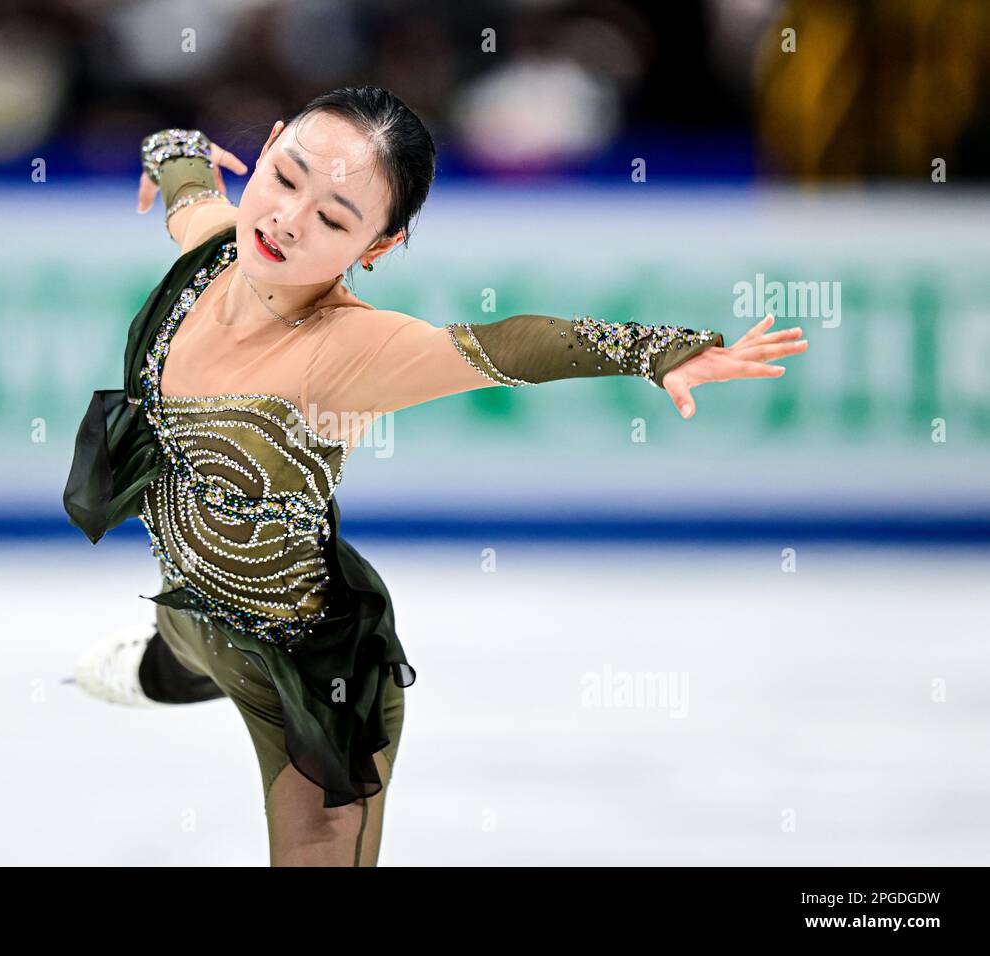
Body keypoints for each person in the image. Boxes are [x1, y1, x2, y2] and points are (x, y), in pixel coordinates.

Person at [62, 86, 808, 867]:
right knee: (184, 644)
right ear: (272, 144)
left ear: (378, 246)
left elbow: (511, 345)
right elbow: (188, 181)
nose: (288, 218)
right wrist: (172, 146)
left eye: (336, 218)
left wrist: (660, 350)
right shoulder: (212, 248)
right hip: (190, 610)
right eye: (287, 176)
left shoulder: (350, 351)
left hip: (311, 682)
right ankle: (156, 665)